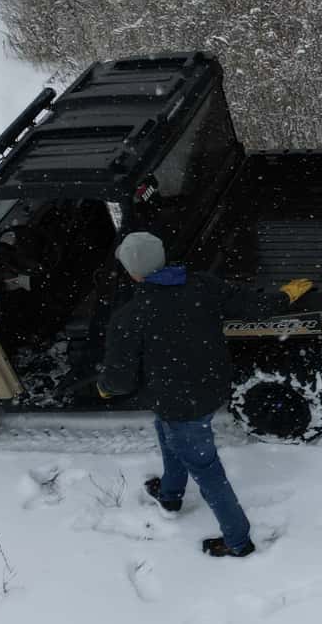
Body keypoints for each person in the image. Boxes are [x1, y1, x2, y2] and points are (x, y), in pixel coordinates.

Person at [97, 231, 254, 558]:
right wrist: (285, 297)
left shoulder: (130, 316)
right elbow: (249, 302)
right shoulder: (202, 286)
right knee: (168, 435)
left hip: (180, 402)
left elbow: (120, 380)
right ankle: (170, 495)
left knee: (207, 470)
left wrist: (105, 387)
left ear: (132, 272)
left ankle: (238, 541)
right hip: (207, 388)